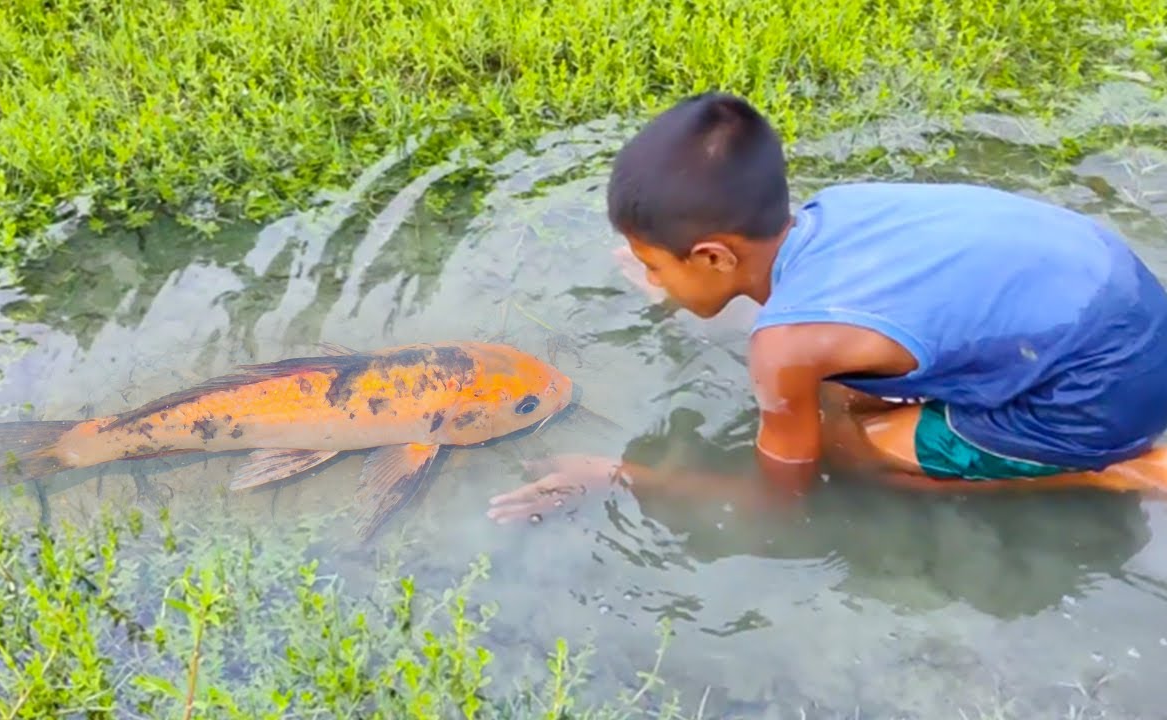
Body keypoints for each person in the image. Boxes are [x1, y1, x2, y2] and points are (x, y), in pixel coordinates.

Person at [487, 91, 1167, 523]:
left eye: (655, 263)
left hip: (1100, 394)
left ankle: (1110, 470)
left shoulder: (787, 346)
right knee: (843, 389)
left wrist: (617, 475)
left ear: (714, 258)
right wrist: (677, 287)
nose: (646, 275)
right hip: (1127, 305)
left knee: (859, 458)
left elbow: (781, 495)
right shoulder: (831, 214)